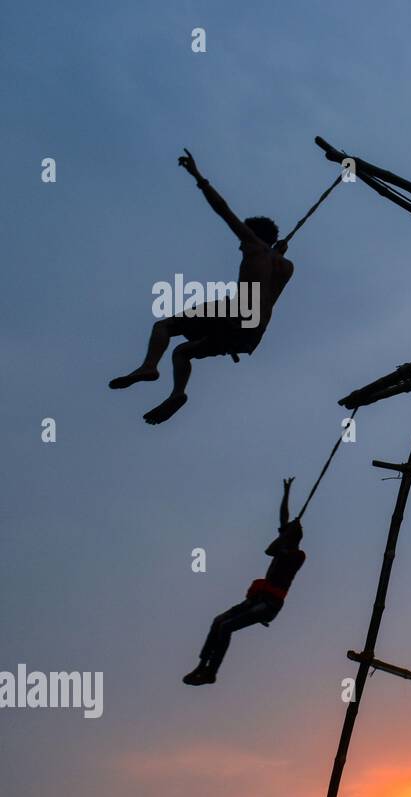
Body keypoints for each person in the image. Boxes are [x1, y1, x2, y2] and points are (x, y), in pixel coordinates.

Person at [110, 150, 296, 424]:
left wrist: (198, 176)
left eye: (243, 238)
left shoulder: (253, 246)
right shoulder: (286, 266)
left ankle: (149, 367)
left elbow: (223, 210)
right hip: (252, 334)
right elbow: (268, 278)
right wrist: (278, 253)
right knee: (183, 352)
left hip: (236, 315)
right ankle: (177, 394)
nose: (239, 244)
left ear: (253, 235)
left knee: (164, 326)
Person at [183, 479, 306, 686]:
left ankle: (211, 672)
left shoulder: (296, 556)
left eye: (288, 531)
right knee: (218, 621)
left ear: (291, 537)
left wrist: (286, 533)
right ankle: (202, 664)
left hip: (268, 605)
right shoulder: (286, 543)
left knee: (227, 627)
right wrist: (286, 493)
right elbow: (283, 517)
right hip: (257, 599)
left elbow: (270, 550)